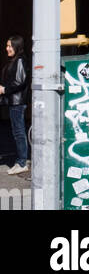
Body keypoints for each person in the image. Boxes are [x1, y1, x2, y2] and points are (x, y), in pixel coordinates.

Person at [0, 35, 29, 173]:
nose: (7, 49)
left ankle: (22, 162)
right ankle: (20, 161)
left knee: (19, 132)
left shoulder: (20, 60)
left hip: (18, 102)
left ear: (17, 46)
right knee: (17, 132)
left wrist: (4, 89)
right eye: (7, 46)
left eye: (10, 46)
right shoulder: (15, 61)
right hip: (14, 102)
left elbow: (20, 81)